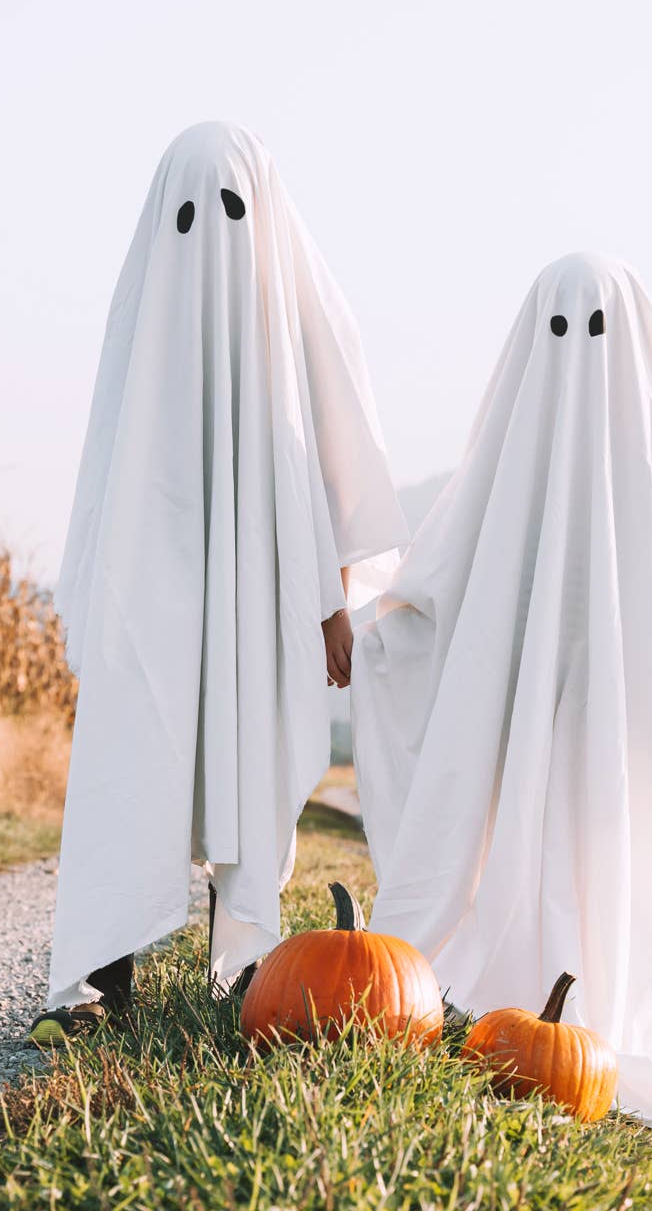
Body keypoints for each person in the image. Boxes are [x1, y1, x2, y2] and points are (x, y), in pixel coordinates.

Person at [351, 252, 652, 1140]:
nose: (578, 356)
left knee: (599, 836)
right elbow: (446, 574)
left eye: (596, 334)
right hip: (519, 709)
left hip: (616, 720)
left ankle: (573, 1005)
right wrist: (382, 618)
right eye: (561, 331)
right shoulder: (514, 462)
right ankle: (527, 1000)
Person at [31, 122, 407, 1042]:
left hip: (269, 593)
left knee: (253, 753)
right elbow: (105, 489)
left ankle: (243, 965)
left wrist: (331, 602)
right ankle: (96, 976)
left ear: (265, 218)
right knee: (131, 762)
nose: (210, 236)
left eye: (231, 211)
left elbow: (335, 460)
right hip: (147, 597)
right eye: (190, 215)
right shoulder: (141, 339)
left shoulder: (297, 326)